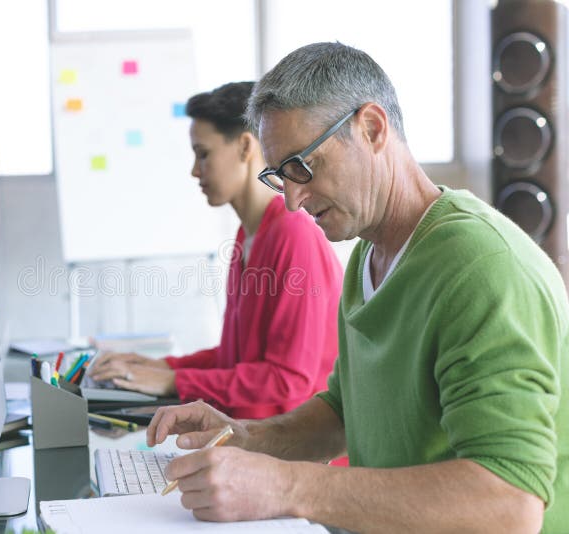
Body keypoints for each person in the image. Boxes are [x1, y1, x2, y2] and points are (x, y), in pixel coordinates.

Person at [145, 43, 569, 533]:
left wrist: (288, 486)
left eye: (304, 166)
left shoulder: (482, 269)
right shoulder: (368, 254)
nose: (293, 200)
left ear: (371, 128)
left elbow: (511, 505)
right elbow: (345, 414)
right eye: (281, 176)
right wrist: (243, 438)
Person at [90, 82, 343, 419]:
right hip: (252, 440)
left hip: (294, 453)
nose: (195, 171)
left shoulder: (293, 235)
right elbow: (234, 360)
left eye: (203, 154)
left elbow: (286, 380)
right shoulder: (248, 234)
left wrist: (173, 380)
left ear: (244, 147)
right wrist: (159, 367)